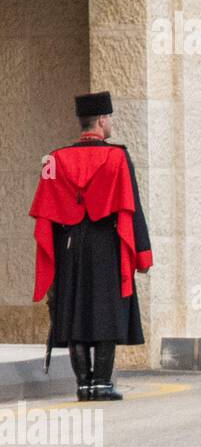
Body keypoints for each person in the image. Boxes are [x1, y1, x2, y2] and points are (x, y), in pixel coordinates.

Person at [30, 91, 152, 401]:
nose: (110, 122)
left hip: (69, 246)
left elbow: (46, 216)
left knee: (73, 313)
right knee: (106, 312)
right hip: (107, 244)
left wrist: (54, 258)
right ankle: (102, 384)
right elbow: (132, 208)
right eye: (109, 117)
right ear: (101, 119)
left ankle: (83, 385)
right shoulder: (118, 157)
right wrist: (143, 252)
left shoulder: (54, 159)